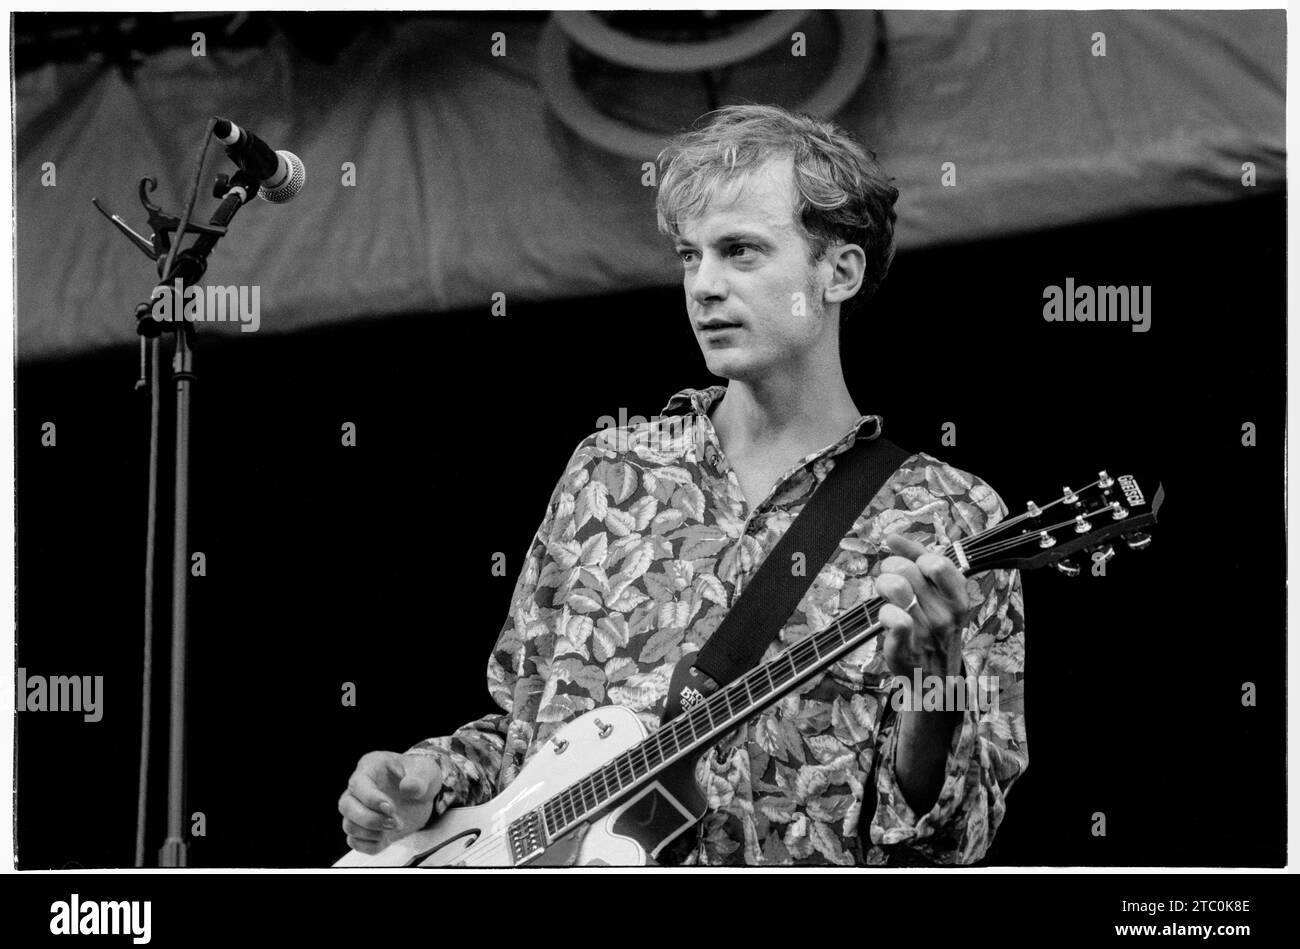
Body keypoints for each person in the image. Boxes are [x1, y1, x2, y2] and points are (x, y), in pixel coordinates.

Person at [338, 104, 1027, 866]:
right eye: (687, 256)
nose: (703, 285)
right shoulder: (609, 471)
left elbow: (956, 844)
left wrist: (937, 690)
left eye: (740, 252)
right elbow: (522, 740)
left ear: (840, 271)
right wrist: (429, 778)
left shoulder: (948, 517)